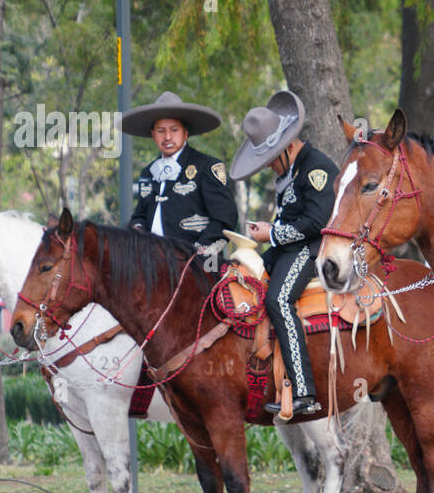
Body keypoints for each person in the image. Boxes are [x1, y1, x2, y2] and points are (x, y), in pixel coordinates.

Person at [229, 90, 338, 420]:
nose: (269, 167)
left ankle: (304, 390)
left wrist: (271, 233)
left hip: (313, 247)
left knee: (277, 299)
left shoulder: (316, 167)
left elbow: (317, 223)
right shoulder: (290, 171)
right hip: (288, 247)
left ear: (289, 147)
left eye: (272, 159)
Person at [122, 91, 238, 249]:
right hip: (153, 260)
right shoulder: (148, 173)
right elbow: (140, 216)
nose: (168, 137)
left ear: (185, 133)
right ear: (153, 135)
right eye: (161, 131)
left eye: (174, 130)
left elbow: (225, 218)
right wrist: (137, 231)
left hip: (197, 263)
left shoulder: (207, 167)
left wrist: (198, 252)